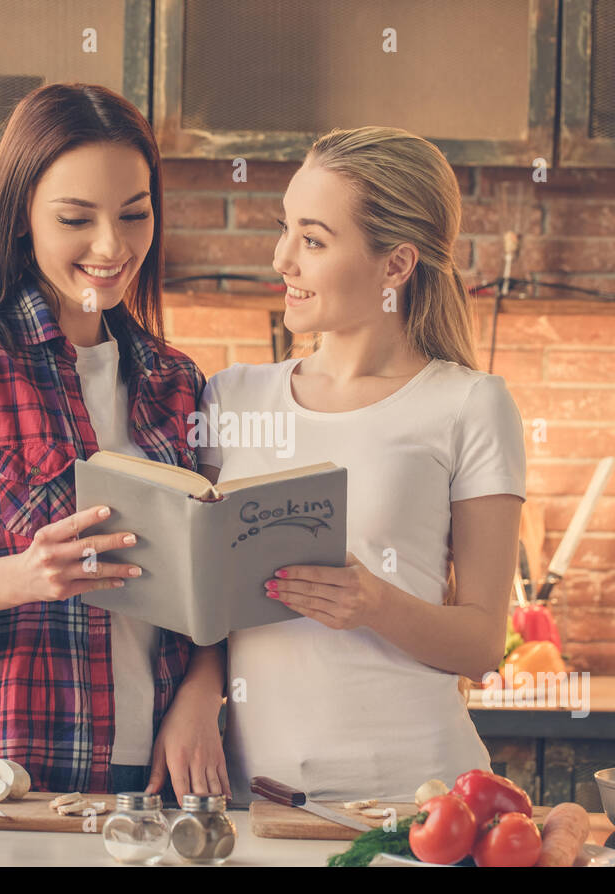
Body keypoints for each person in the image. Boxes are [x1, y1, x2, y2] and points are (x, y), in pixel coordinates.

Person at [0, 84, 229, 801]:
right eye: (76, 218)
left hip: (160, 779)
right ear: (23, 218)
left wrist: (202, 695)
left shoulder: (176, 381)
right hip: (16, 775)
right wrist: (23, 575)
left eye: (134, 214)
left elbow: (213, 588)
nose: (112, 246)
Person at [185, 126, 526, 802]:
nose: (283, 259)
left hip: (419, 798)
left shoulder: (469, 404)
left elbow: (484, 643)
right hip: (263, 795)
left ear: (395, 265)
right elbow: (206, 600)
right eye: (285, 229)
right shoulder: (232, 396)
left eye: (313, 240)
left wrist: (375, 603)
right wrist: (197, 697)